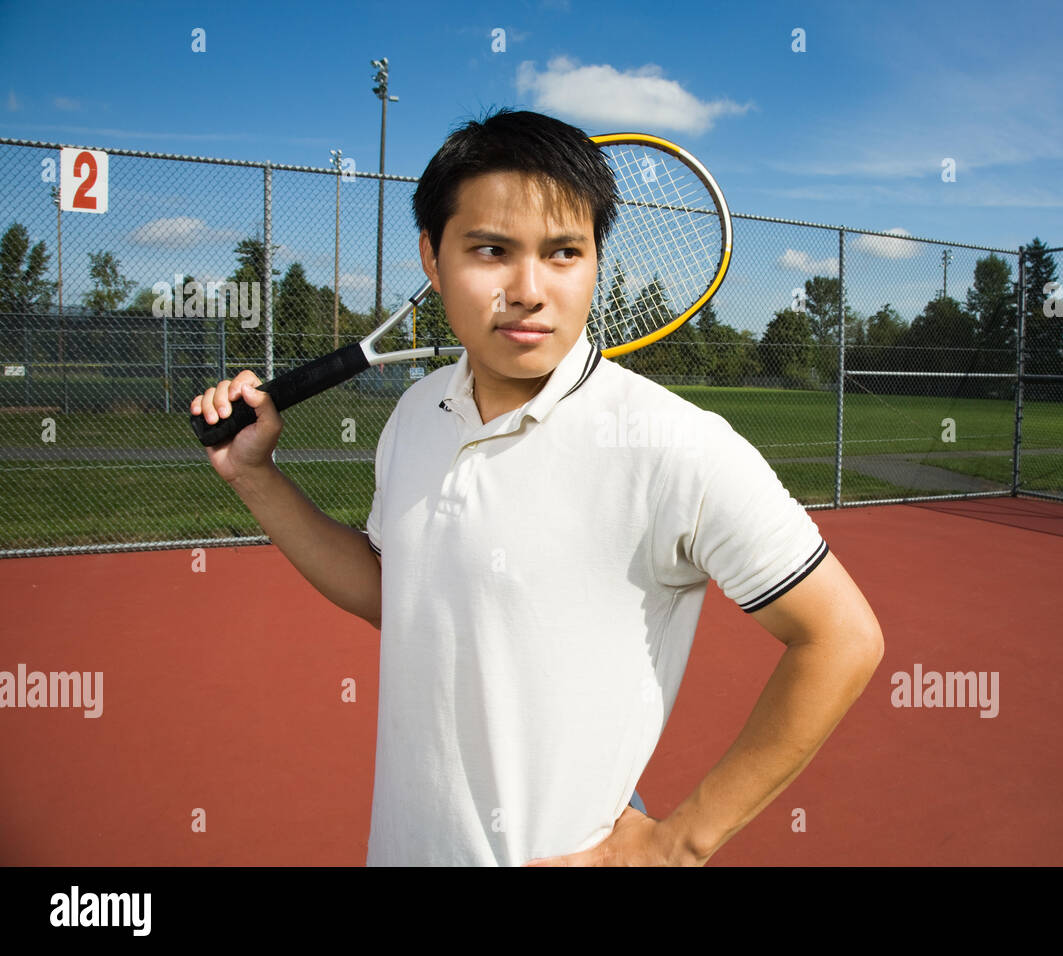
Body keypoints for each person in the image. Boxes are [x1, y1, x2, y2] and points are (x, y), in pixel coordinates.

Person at [191, 107, 884, 867]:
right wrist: (254, 477)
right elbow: (398, 592)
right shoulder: (419, 412)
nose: (528, 288)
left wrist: (671, 847)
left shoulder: (675, 443)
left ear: (594, 261)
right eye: (492, 250)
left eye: (563, 253)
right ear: (432, 257)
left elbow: (841, 639)